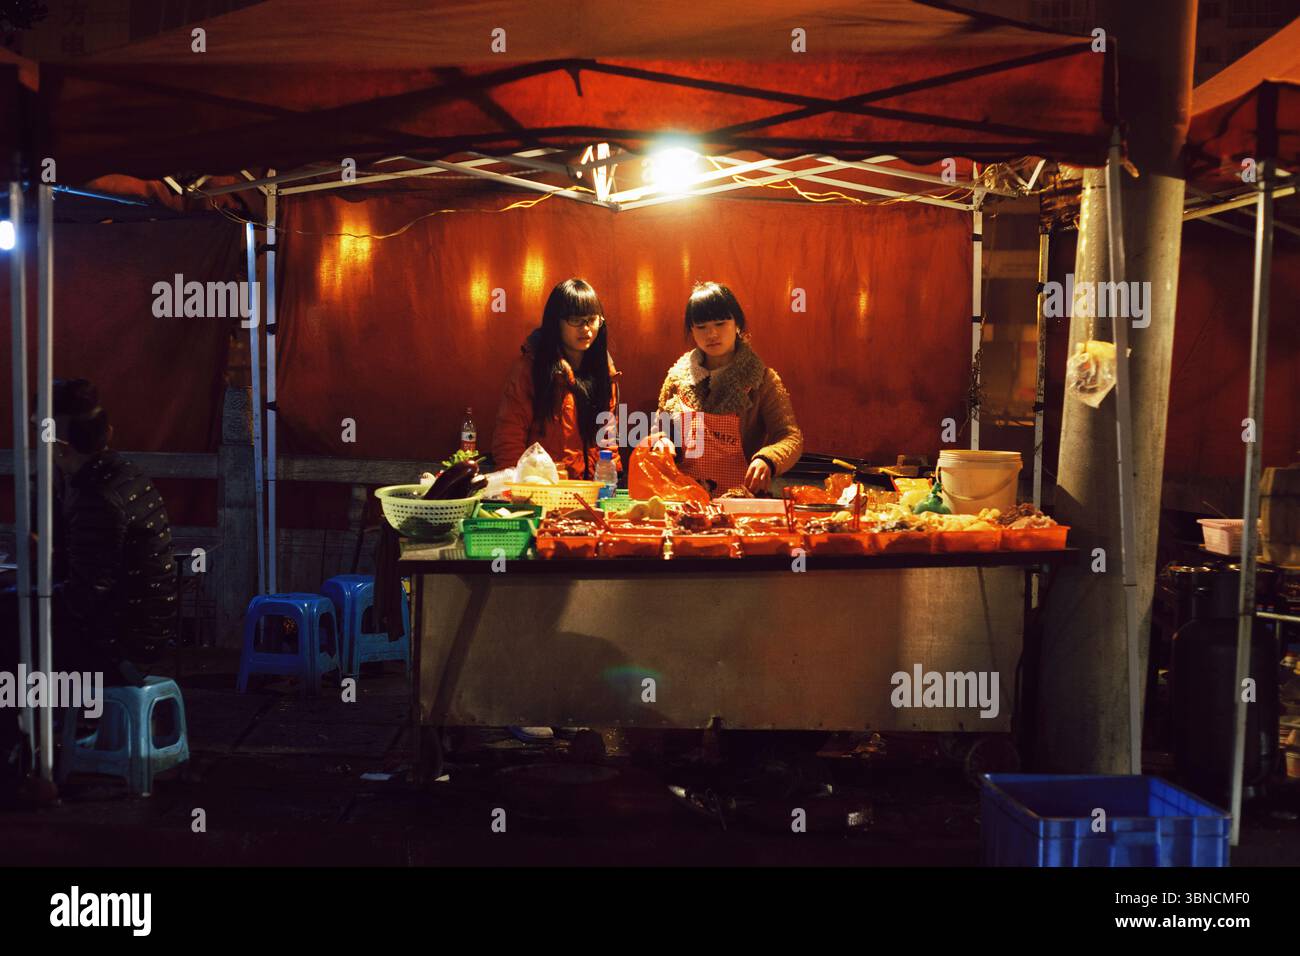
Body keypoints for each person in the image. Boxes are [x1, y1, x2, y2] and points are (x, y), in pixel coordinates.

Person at [1, 379, 178, 804]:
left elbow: (85, 598)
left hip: (121, 646)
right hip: (133, 627)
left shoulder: (97, 495)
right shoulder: (117, 473)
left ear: (58, 444)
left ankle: (15, 771)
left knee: (7, 635)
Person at [655, 281, 803, 494]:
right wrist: (663, 442)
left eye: (721, 323)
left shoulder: (762, 379)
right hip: (684, 497)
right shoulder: (676, 379)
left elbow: (790, 436)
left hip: (741, 498)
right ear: (692, 331)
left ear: (738, 324)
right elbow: (661, 430)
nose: (712, 334)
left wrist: (768, 460)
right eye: (702, 327)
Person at [492, 278, 622, 479]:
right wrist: (517, 492)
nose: (586, 328)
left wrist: (611, 482)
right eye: (575, 319)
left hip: (590, 494)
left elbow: (607, 440)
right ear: (555, 322)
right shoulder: (531, 369)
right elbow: (509, 438)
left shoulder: (604, 373)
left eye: (592, 319)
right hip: (543, 492)